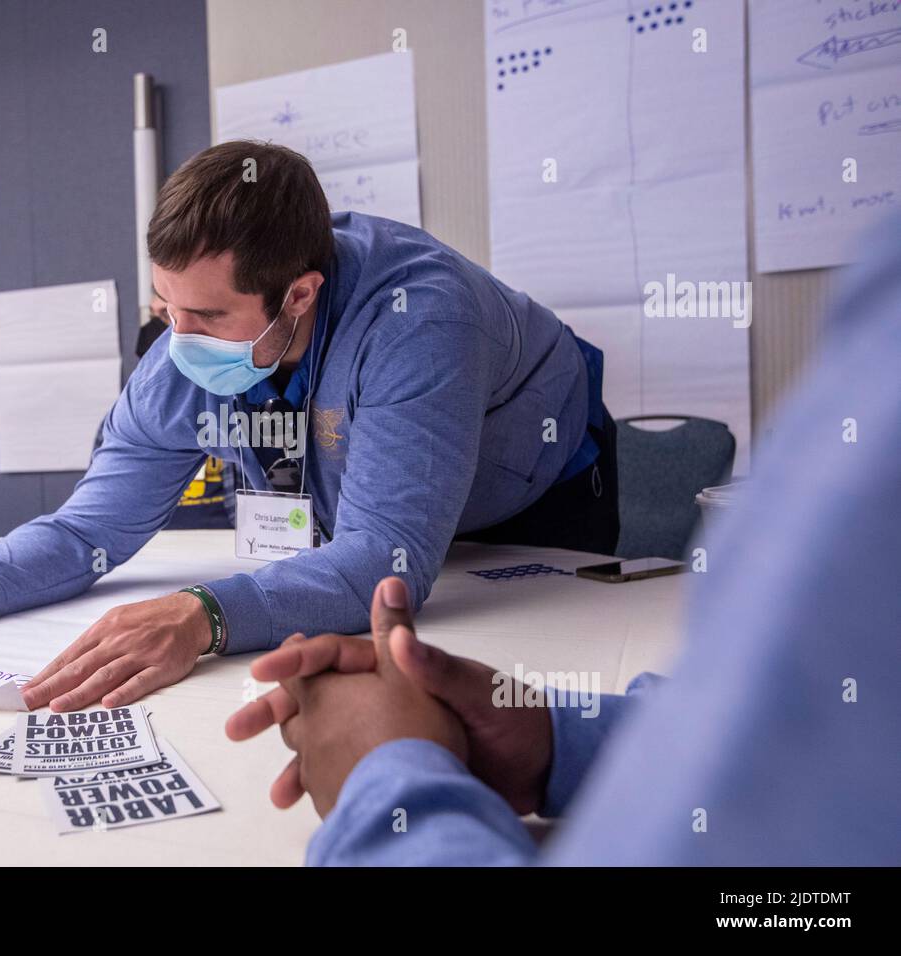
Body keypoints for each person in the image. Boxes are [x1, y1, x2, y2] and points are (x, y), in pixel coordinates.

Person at [0, 141, 615, 712]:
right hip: (374, 529)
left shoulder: (418, 320)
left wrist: (203, 614)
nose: (176, 339)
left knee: (525, 694)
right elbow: (88, 527)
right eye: (165, 307)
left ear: (298, 294)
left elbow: (387, 561)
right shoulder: (178, 359)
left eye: (205, 315)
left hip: (536, 497)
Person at [224, 212, 901, 866]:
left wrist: (389, 779)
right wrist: (559, 738)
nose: (180, 337)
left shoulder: (419, 310)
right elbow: (800, 736)